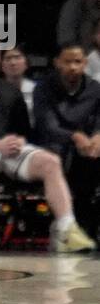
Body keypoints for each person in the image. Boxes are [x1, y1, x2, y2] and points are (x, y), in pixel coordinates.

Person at [0, 41, 91, 253]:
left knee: (50, 162)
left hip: (10, 149)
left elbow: (25, 130)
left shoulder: (11, 91)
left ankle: (67, 227)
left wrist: (20, 141)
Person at [33, 43, 100, 241]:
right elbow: (48, 126)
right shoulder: (44, 88)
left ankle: (89, 225)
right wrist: (76, 137)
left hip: (87, 147)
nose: (73, 67)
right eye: (68, 62)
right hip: (54, 144)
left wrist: (97, 136)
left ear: (85, 63)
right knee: (54, 155)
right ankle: (63, 223)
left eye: (78, 62)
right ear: (57, 63)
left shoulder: (95, 89)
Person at [0, 45, 37, 122]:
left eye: (17, 57)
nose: (13, 63)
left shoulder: (37, 90)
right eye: (8, 58)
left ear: (26, 63)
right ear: (1, 66)